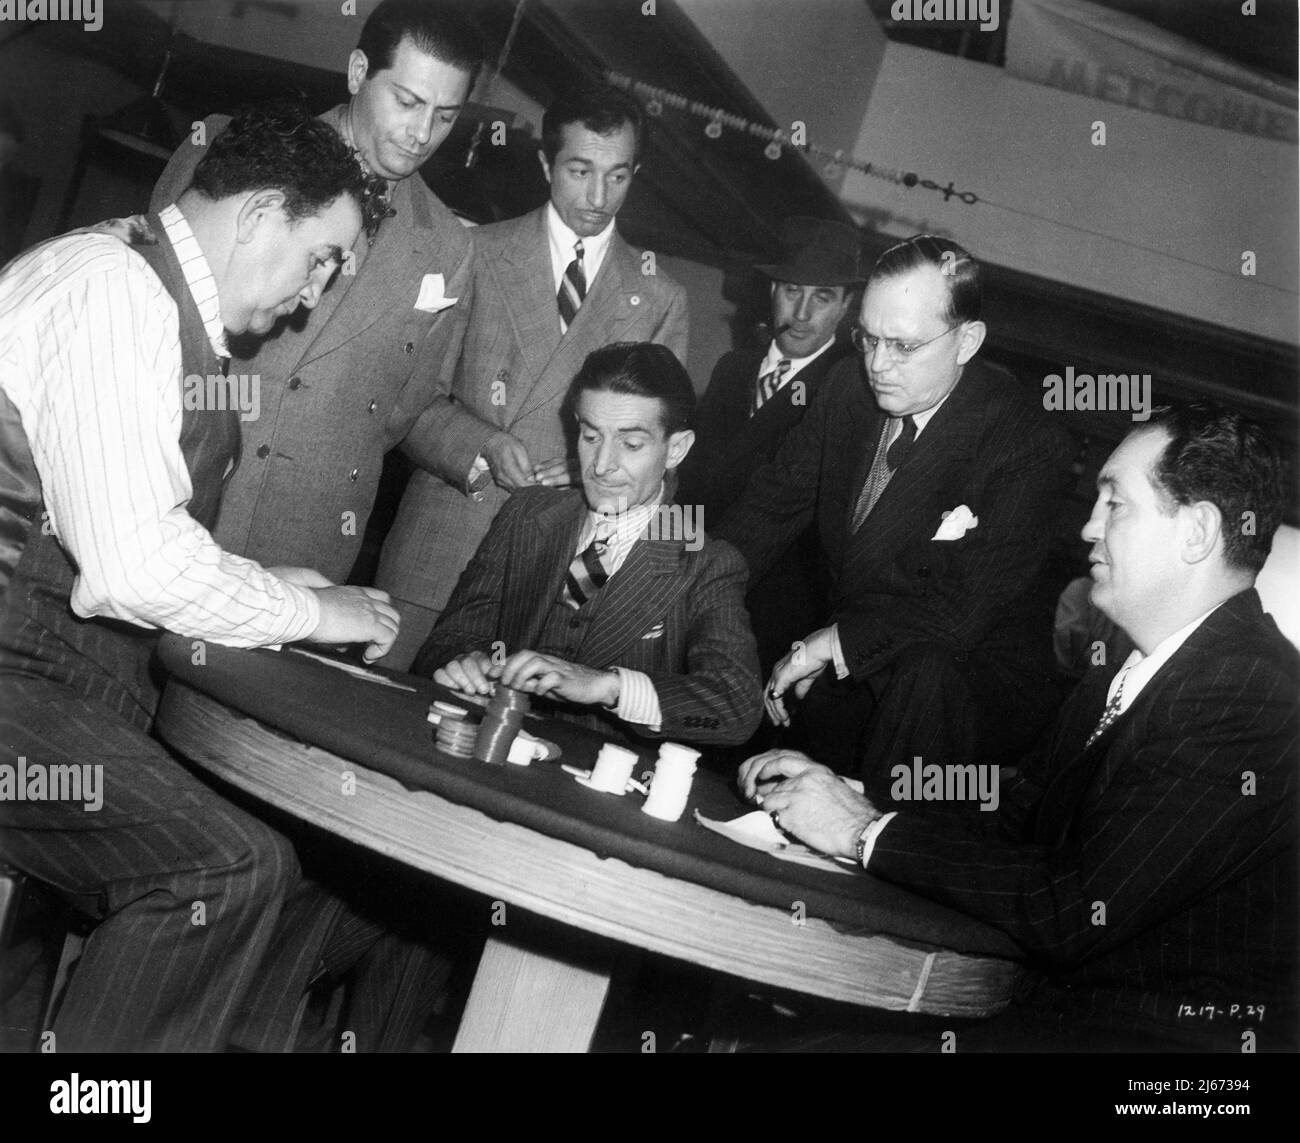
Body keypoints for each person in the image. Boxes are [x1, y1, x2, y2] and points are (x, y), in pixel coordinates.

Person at [0, 104, 405, 1052]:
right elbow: (135, 564)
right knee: (227, 867)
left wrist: (258, 577)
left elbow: (124, 522)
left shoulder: (147, 291)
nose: (314, 295)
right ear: (261, 214)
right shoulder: (114, 291)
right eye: (321, 259)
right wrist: (311, 611)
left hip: (41, 681)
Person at [740, 402, 1298, 1052]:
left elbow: (1078, 906)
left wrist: (863, 832)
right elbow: (1018, 812)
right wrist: (855, 793)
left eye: (1114, 504)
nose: (1088, 527)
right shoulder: (1132, 666)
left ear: (1197, 532)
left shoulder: (1250, 692)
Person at [714, 234, 1071, 784]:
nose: (879, 364)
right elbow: (767, 508)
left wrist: (834, 645)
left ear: (967, 340)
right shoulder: (845, 389)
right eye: (869, 339)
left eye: (904, 346)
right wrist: (683, 593)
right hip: (850, 672)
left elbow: (963, 607)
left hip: (951, 718)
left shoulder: (1024, 442)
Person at [149, 0, 482, 586]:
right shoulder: (230, 147)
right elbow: (150, 313)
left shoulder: (449, 247)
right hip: (182, 494)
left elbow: (403, 409)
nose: (422, 134)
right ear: (358, 73)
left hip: (309, 541)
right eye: (407, 102)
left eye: (446, 115)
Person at [377, 81, 690, 668]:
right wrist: (484, 443)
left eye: (618, 175)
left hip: (554, 580)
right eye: (579, 170)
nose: (598, 196)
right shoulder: (474, 252)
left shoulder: (660, 297)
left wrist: (589, 468)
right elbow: (404, 401)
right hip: (438, 552)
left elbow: (661, 460)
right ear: (546, 163)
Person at [414, 342, 760, 749]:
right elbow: (446, 640)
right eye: (591, 436)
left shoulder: (705, 561)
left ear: (677, 449)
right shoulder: (527, 514)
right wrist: (466, 663)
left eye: (631, 445)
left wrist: (607, 686)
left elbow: (736, 708)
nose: (601, 464)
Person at [677, 215, 861, 676]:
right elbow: (690, 488)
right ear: (771, 291)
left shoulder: (851, 391)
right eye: (791, 291)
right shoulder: (733, 369)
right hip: (680, 592)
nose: (801, 314)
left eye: (822, 297)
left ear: (846, 307)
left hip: (770, 623)